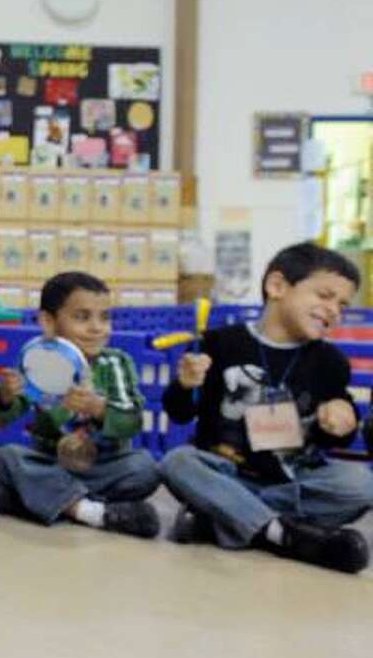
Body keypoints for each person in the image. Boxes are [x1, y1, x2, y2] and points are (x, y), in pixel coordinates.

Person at [159, 243, 372, 574]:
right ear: (277, 286)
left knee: (360, 484)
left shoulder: (330, 362)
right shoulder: (219, 344)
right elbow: (180, 412)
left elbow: (333, 435)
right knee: (178, 462)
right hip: (225, 474)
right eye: (324, 295)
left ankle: (222, 520)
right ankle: (283, 532)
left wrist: (343, 421)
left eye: (342, 305)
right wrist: (185, 385)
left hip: (292, 481)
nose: (333, 310)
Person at [0, 273, 163, 538]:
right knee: (7, 458)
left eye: (105, 317)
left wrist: (101, 410)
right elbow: (3, 417)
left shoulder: (117, 363)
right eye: (82, 317)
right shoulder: (38, 360)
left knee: (145, 468)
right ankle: (91, 511)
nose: (97, 328)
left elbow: (133, 422)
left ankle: (45, 500)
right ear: (48, 321)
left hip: (104, 465)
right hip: (52, 462)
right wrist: (5, 396)